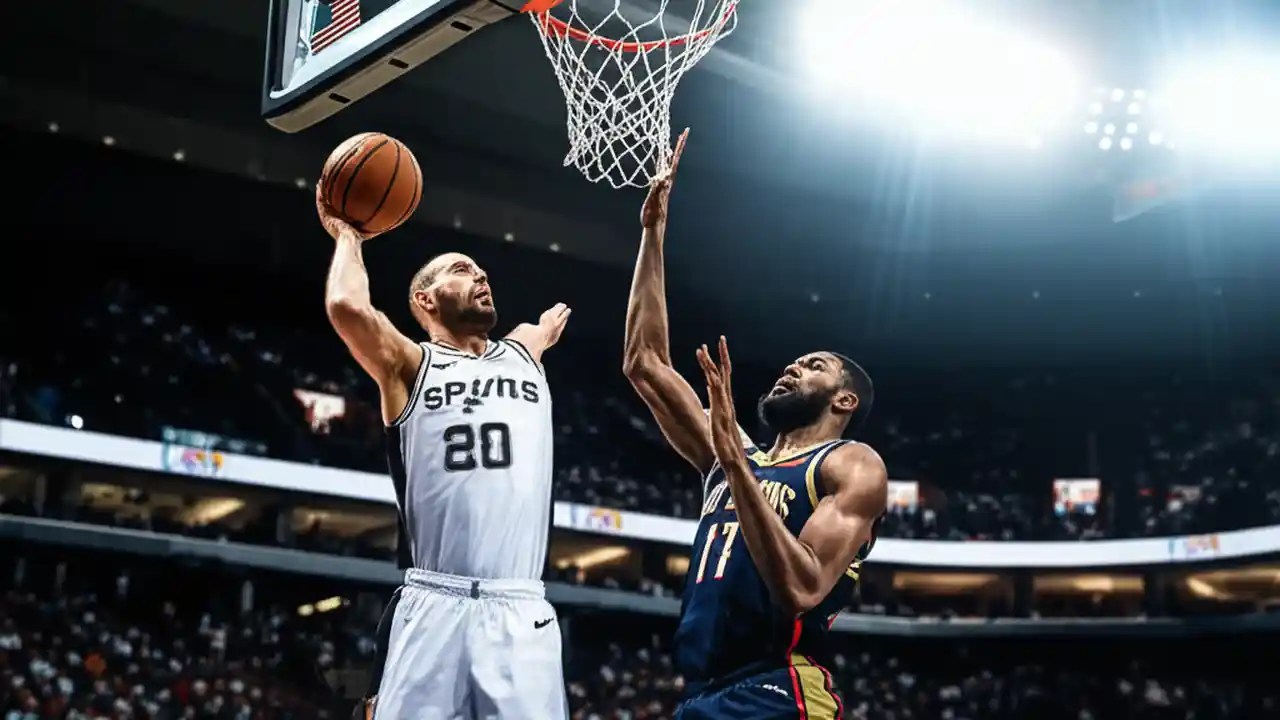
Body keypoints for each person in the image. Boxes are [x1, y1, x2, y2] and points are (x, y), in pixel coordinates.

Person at [622, 131, 889, 720]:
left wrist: (737, 464)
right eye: (796, 360)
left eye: (815, 365)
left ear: (844, 401)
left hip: (778, 691)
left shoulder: (850, 464)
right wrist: (653, 233)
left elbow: (801, 589)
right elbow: (644, 363)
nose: (794, 365)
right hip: (699, 693)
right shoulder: (732, 456)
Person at [317, 187, 572, 720]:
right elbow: (346, 305)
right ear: (425, 300)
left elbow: (535, 333)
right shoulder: (410, 364)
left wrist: (547, 329)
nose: (480, 276)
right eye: (461, 269)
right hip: (435, 600)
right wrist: (348, 234)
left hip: (521, 604)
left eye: (481, 270)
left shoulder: (524, 350)